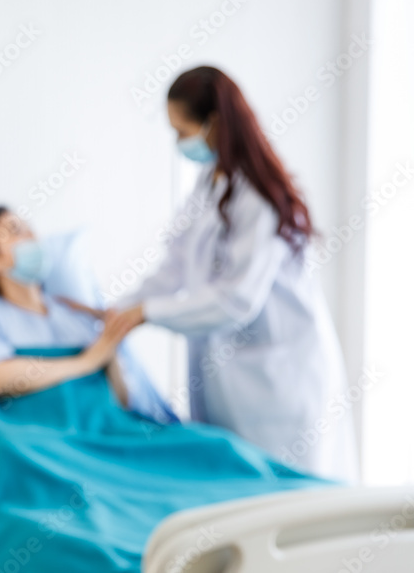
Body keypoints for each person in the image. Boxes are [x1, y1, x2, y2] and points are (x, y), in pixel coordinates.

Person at [0, 206, 332, 573]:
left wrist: (110, 352)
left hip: (113, 431)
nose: (31, 237)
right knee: (72, 516)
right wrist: (86, 361)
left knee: (217, 448)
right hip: (48, 438)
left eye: (29, 227)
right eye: (14, 231)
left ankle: (318, 509)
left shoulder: (76, 313)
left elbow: (120, 399)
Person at [106, 65, 357, 481]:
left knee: (292, 497)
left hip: (279, 384)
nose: (179, 143)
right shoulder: (209, 184)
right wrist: (119, 309)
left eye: (182, 131)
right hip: (231, 382)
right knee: (242, 494)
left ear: (214, 123)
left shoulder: (258, 195)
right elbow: (173, 268)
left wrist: (146, 313)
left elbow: (237, 300)